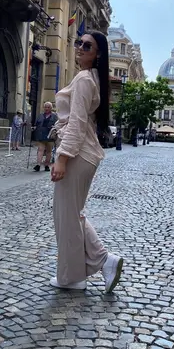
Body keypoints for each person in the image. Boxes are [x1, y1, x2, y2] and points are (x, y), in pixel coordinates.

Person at [50, 31, 124, 293]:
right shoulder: (91, 77)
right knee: (73, 214)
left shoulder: (84, 79)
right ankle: (104, 261)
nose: (80, 47)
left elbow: (77, 123)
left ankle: (71, 277)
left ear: (98, 53)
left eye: (87, 46)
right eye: (79, 42)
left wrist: (62, 158)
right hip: (84, 154)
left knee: (66, 217)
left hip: (77, 154)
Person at [33, 102, 58, 172]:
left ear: (51, 108)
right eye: (45, 107)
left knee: (48, 151)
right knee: (40, 150)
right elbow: (36, 124)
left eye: (48, 107)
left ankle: (46, 165)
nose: (46, 108)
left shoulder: (54, 116)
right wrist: (34, 127)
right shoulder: (41, 115)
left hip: (50, 135)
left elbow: (57, 125)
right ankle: (38, 165)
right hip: (41, 134)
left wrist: (54, 128)